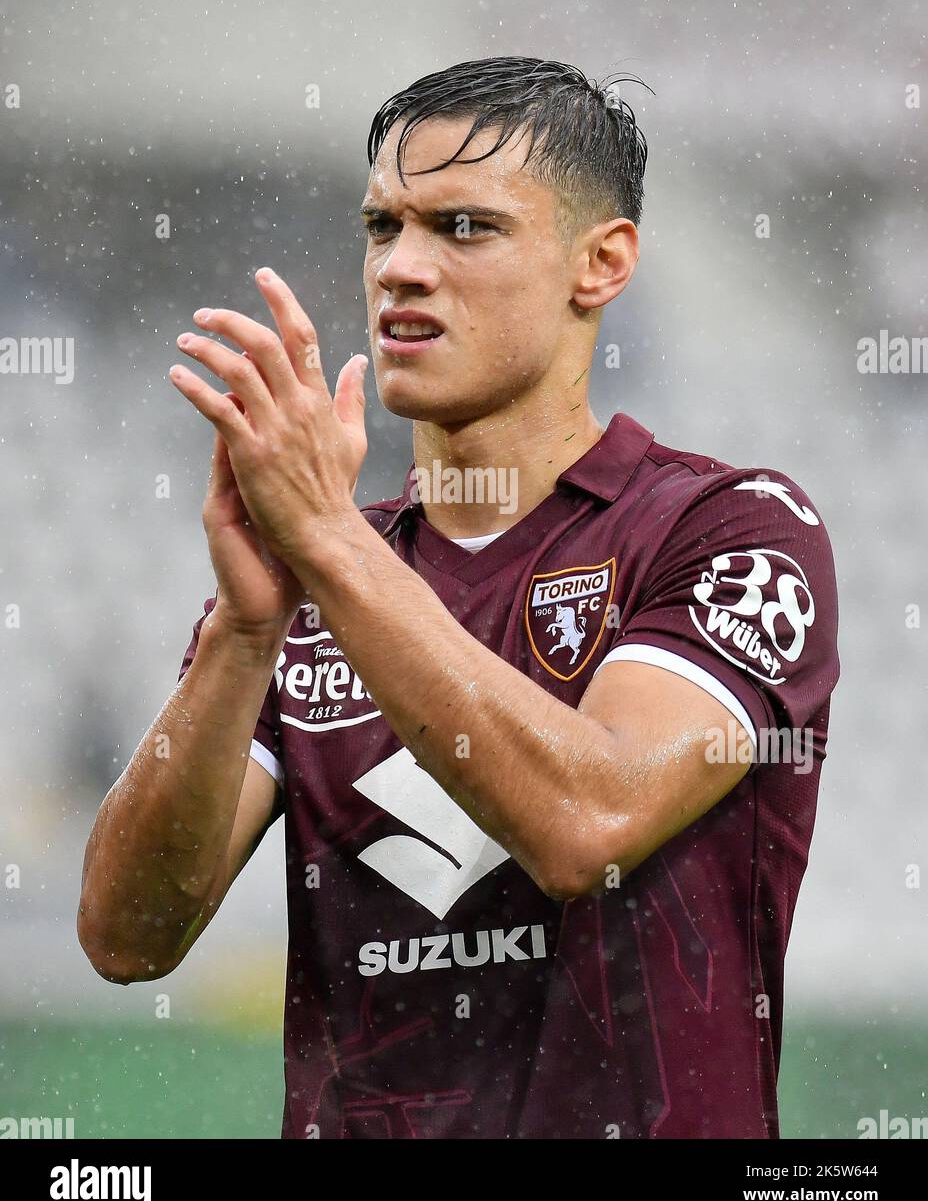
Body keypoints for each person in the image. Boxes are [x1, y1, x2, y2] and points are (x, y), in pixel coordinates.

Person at [78, 56, 839, 1139]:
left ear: (601, 263)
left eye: (465, 228)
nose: (401, 268)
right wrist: (246, 632)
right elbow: (125, 937)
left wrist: (332, 547)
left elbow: (587, 821)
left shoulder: (732, 530)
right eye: (383, 227)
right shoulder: (310, 577)